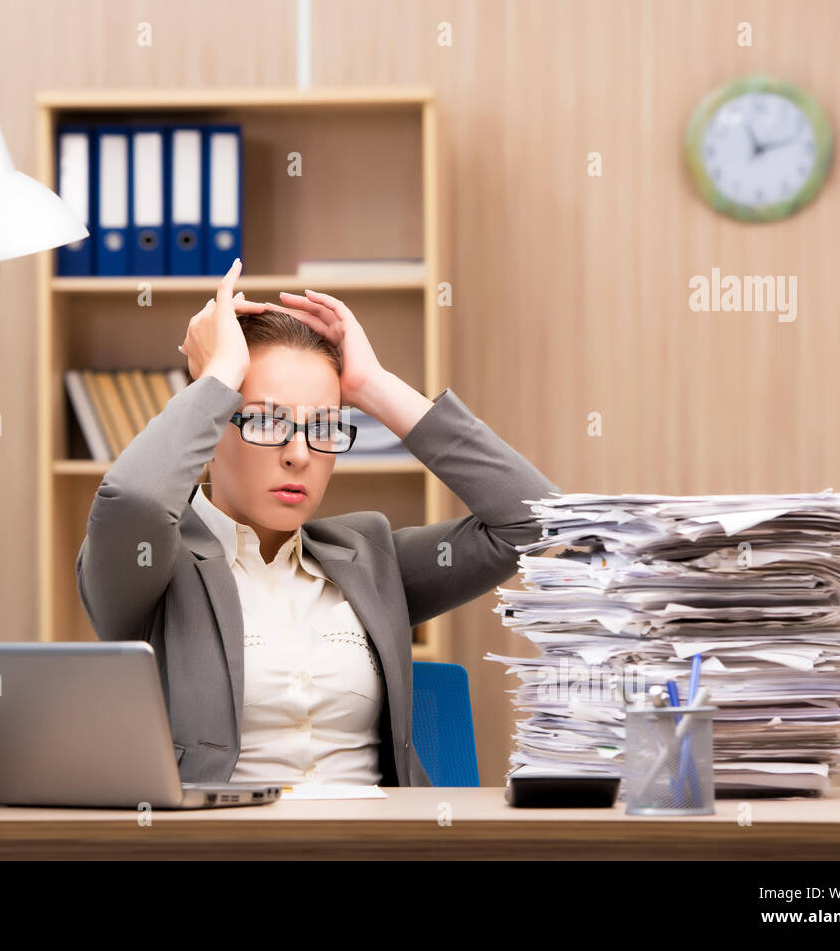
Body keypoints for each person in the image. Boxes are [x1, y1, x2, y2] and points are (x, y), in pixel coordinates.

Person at [77, 258, 559, 786]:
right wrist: (216, 378)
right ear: (211, 429)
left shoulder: (370, 561)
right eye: (266, 419)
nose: (299, 455)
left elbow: (534, 518)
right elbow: (134, 501)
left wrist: (374, 387)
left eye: (324, 428)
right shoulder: (150, 571)